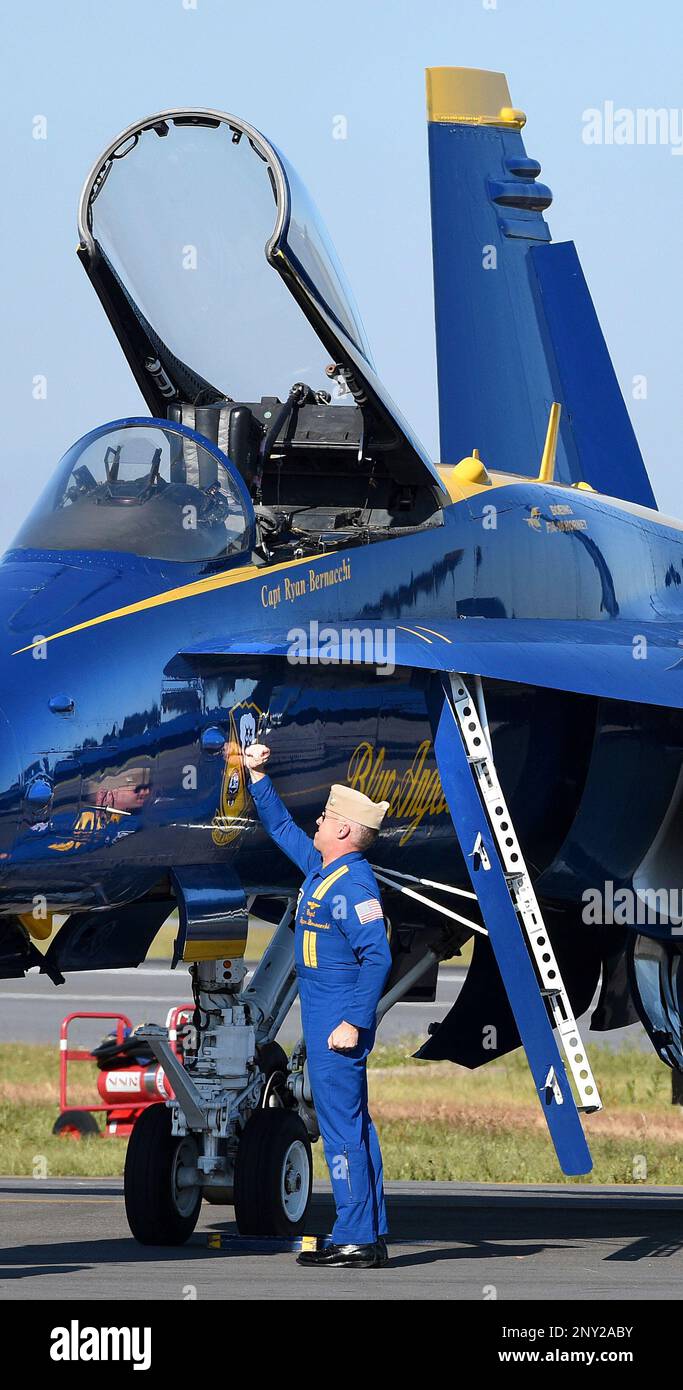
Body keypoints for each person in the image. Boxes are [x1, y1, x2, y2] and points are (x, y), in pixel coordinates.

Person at [244, 741, 392, 1270]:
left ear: (346, 832)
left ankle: (354, 1234)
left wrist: (353, 1023)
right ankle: (369, 1231)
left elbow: (378, 957)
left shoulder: (352, 885)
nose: (319, 823)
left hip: (337, 1019)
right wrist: (258, 777)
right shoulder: (322, 870)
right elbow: (283, 829)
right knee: (354, 1124)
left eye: (328, 818)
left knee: (340, 1129)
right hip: (326, 1012)